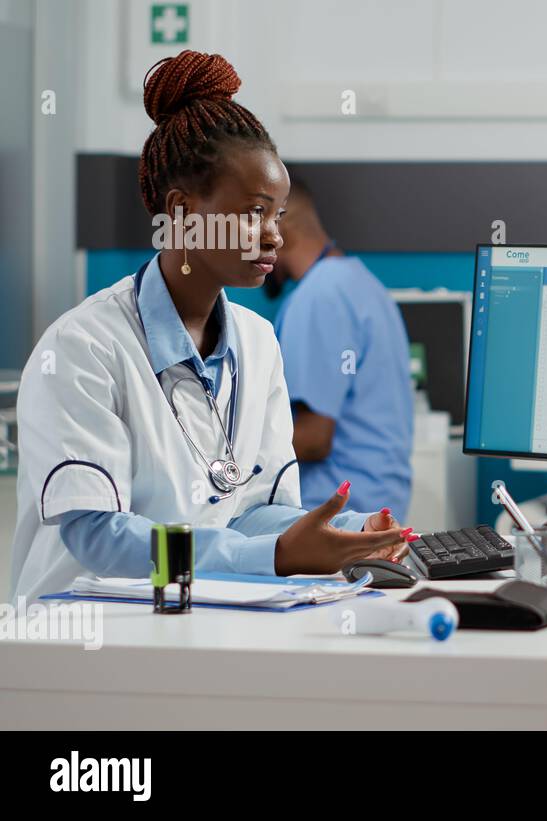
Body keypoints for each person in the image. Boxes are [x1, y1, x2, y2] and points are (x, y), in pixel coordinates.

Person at [9, 50, 417, 601]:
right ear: (179, 211)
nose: (274, 234)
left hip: (193, 623)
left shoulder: (256, 342)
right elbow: (100, 541)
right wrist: (271, 556)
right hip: (82, 641)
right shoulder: (83, 348)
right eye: (254, 212)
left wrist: (344, 533)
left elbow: (253, 515)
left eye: (278, 213)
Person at [264, 182, 414, 520]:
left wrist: (228, 454)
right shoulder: (363, 284)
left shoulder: (319, 296)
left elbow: (315, 439)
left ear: (280, 226)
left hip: (336, 515)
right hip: (376, 506)